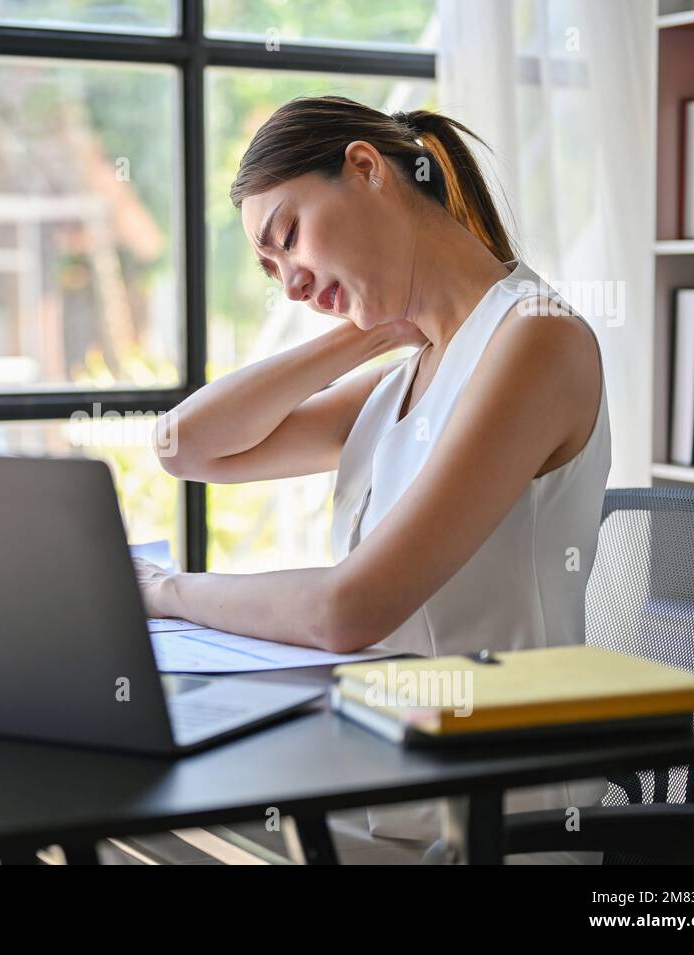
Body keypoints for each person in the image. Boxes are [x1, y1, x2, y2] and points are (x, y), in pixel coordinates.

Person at [136, 97, 610, 863]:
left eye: (287, 237)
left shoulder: (536, 339)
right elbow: (184, 446)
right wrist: (365, 333)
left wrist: (164, 589)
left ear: (366, 168)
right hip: (387, 767)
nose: (288, 283)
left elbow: (349, 608)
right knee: (151, 811)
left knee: (151, 824)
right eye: (271, 268)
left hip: (491, 805)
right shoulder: (409, 373)